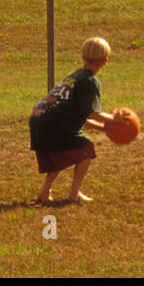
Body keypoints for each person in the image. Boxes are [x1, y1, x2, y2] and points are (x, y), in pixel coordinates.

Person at [29, 36, 118, 204]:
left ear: (83, 57)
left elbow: (81, 116)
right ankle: (74, 193)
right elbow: (94, 113)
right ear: (105, 61)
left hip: (39, 117)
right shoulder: (90, 81)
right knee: (86, 150)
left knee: (59, 154)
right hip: (54, 123)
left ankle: (44, 192)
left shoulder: (74, 75)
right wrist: (116, 119)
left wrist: (105, 129)